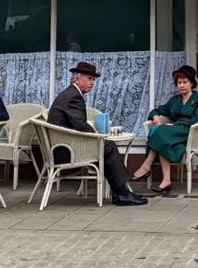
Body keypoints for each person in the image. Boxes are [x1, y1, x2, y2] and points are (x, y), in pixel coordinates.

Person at [48, 61, 147, 206]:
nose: (92, 83)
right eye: (89, 78)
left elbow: (76, 124)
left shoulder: (70, 93)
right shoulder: (74, 97)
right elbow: (80, 126)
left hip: (63, 146)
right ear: (77, 78)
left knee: (105, 146)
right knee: (108, 146)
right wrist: (97, 135)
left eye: (94, 79)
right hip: (65, 151)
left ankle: (121, 192)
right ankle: (121, 193)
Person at [130, 65, 198, 194]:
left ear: (192, 83)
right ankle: (166, 181)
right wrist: (155, 116)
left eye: (185, 82)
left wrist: (177, 125)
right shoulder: (174, 100)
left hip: (190, 133)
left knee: (160, 132)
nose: (182, 85)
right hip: (173, 136)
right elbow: (156, 110)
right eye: (179, 83)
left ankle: (146, 166)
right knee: (163, 140)